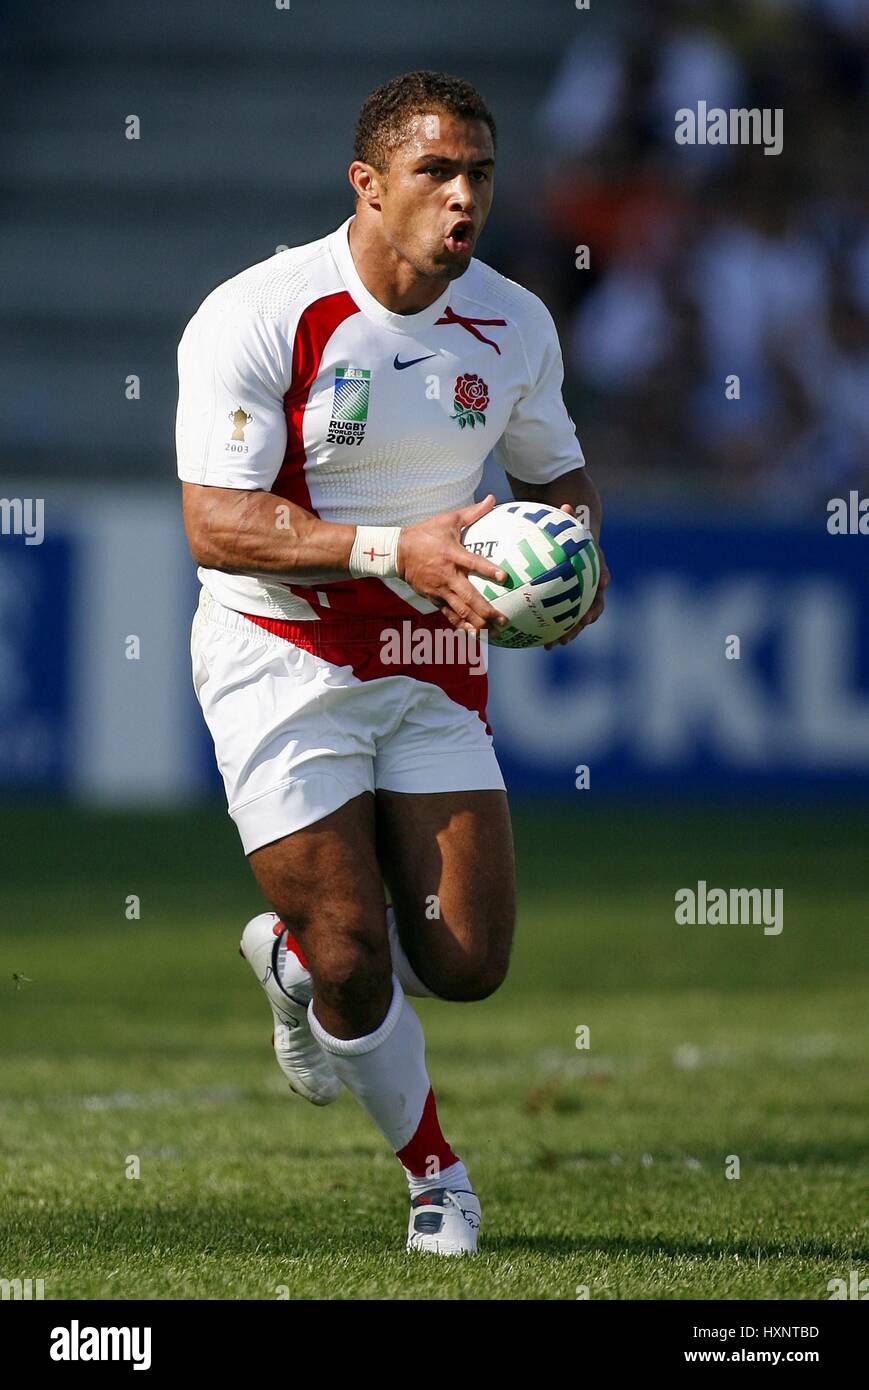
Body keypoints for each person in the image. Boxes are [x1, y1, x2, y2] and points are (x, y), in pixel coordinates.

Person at [176, 69, 608, 1256]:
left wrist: (577, 556)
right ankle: (436, 1179)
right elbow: (215, 521)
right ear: (366, 186)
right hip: (282, 648)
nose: (462, 196)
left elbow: (553, 472)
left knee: (464, 964)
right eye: (435, 172)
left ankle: (291, 955)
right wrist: (390, 545)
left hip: (428, 655)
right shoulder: (260, 312)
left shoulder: (514, 321)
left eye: (477, 173)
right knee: (359, 962)